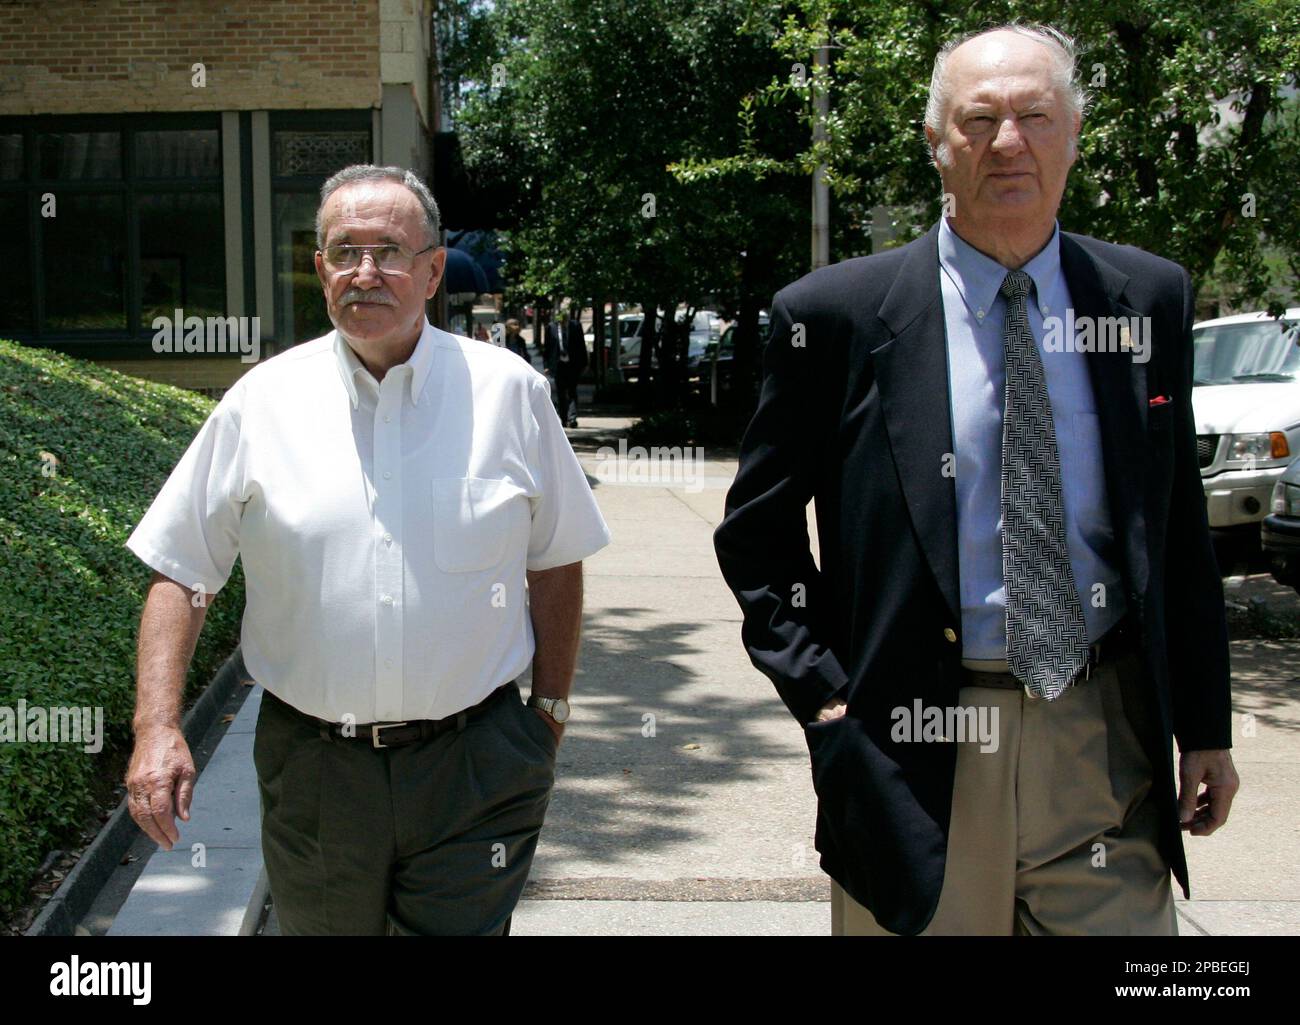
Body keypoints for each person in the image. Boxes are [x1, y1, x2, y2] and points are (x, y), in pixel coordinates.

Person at [713, 24, 1237, 936]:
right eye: (979, 119)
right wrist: (829, 700)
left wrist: (1207, 725)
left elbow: (1175, 524)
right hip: (916, 747)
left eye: (1035, 115)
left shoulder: (1146, 297)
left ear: (1074, 130)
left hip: (1104, 738)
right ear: (935, 144)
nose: (1008, 143)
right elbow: (755, 535)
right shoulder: (833, 317)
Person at [123, 164, 611, 935]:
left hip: (475, 766)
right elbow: (182, 569)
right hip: (315, 772)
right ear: (319, 270)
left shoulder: (509, 394)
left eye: (387, 250)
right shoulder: (261, 402)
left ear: (432, 270)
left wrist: (546, 712)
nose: (365, 272)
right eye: (343, 251)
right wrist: (157, 726)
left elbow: (555, 558)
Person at [545, 303, 588, 428]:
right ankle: (563, 418)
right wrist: (546, 365)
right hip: (558, 365)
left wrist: (584, 363)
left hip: (573, 364)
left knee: (572, 391)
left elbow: (581, 345)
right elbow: (548, 348)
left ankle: (572, 417)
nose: (564, 320)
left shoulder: (575, 326)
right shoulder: (551, 327)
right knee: (560, 392)